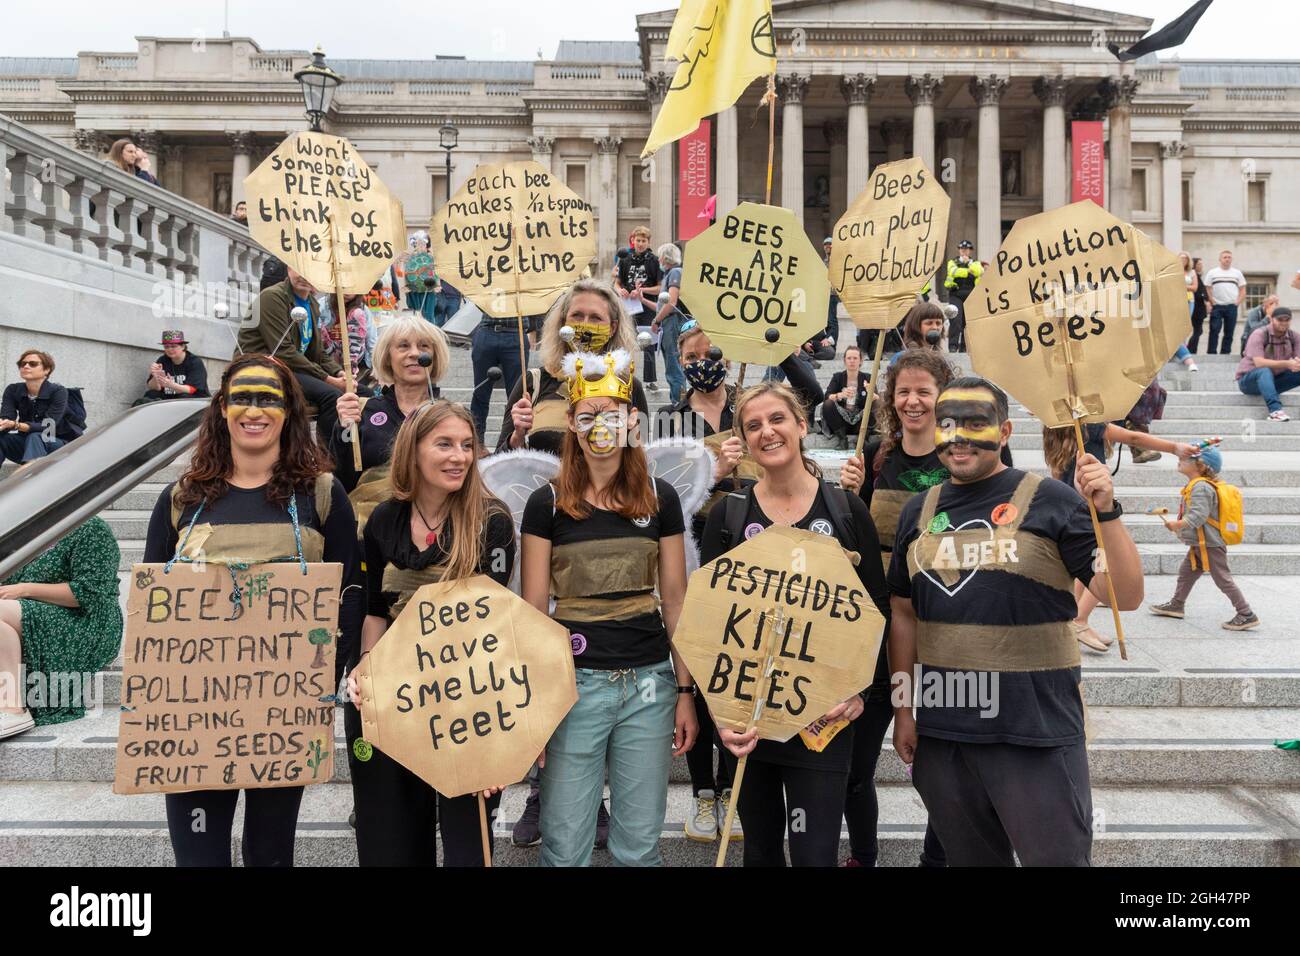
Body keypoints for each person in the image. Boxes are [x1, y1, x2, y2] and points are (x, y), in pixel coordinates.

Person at [889, 376, 1143, 866]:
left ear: (1004, 431)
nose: (958, 435)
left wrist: (1107, 512)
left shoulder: (1053, 500)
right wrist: (904, 709)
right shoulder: (918, 511)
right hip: (946, 735)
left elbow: (1125, 596)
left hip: (1036, 732)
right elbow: (904, 615)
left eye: (974, 423)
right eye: (947, 424)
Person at [142, 355, 363, 867]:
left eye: (269, 399)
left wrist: (319, 683)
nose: (254, 410)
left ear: (289, 412)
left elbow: (350, 594)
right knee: (199, 859)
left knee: (270, 854)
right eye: (242, 397)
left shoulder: (323, 494)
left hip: (284, 712)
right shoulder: (181, 498)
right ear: (222, 408)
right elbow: (152, 603)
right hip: (193, 715)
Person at [701, 382, 890, 867]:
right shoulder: (728, 515)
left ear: (802, 425)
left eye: (777, 419)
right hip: (750, 720)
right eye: (754, 425)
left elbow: (876, 611)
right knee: (761, 853)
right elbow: (708, 623)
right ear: (743, 438)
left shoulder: (847, 511)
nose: (768, 431)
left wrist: (858, 691)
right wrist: (721, 713)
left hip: (820, 722)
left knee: (814, 855)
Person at [521, 347, 697, 866]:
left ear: (632, 422)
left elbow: (676, 599)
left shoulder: (659, 497)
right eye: (588, 415)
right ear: (572, 424)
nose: (601, 425)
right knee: (564, 839)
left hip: (649, 685)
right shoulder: (546, 503)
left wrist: (684, 690)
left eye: (611, 415)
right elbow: (534, 609)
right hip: (574, 686)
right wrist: (536, 705)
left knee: (639, 843)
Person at [345, 401, 516, 865]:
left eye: (466, 445)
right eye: (444, 444)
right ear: (413, 451)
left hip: (465, 703)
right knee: (391, 848)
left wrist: (495, 739)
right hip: (396, 701)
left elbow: (494, 628)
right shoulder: (383, 519)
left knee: (467, 851)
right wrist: (366, 668)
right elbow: (376, 612)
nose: (459, 456)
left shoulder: (491, 521)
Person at [838, 348, 954, 868]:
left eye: (923, 392)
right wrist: (845, 497)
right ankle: (864, 856)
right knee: (854, 769)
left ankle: (937, 858)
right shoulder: (874, 458)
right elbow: (850, 541)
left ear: (941, 398)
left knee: (942, 770)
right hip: (872, 636)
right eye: (903, 391)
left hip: (939, 636)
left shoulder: (963, 457)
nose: (912, 401)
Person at [1040, 422, 1197, 652]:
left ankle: (1072, 618)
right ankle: (1079, 621)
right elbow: (1133, 438)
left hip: (1069, 505)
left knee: (1087, 564)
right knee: (1104, 562)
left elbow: (1055, 472)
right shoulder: (1089, 423)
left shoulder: (1053, 424)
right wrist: (1174, 447)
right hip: (1090, 505)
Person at [0, 516, 122, 739]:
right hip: (28, 611)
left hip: (85, 619)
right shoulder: (23, 530)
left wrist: (24, 589)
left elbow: (89, 593)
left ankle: (12, 708)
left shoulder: (90, 529)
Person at [498, 279, 648, 456]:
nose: (585, 324)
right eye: (577, 315)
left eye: (595, 318)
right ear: (563, 323)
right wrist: (517, 437)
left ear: (612, 328)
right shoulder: (533, 382)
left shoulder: (630, 386)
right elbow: (500, 461)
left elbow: (640, 460)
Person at [237, 267, 346, 451]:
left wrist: (340, 372)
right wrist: (329, 379)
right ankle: (330, 458)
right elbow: (282, 350)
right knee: (332, 396)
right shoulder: (271, 297)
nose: (303, 275)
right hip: (265, 367)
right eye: (298, 268)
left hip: (291, 368)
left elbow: (317, 352)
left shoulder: (312, 304)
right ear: (288, 268)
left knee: (363, 393)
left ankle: (355, 452)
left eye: (309, 270)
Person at [1151, 445, 1258, 631]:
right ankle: (1177, 604)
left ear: (1200, 466)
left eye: (1185, 459)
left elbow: (1198, 516)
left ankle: (1246, 613)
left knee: (1222, 579)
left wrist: (1176, 525)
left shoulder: (1200, 487)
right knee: (1186, 572)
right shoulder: (1198, 485)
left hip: (1209, 543)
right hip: (1201, 542)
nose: (1180, 460)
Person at [0, 350, 76, 465]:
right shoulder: (13, 390)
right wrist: (4, 424)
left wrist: (16, 425)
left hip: (57, 444)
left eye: (33, 364)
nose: (26, 366)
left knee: (36, 437)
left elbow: (48, 427)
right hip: (27, 443)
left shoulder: (58, 391)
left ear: (47, 370)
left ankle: (32, 478)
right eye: (22, 364)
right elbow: (7, 419)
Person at [615, 226, 663, 392]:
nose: (640, 243)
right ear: (633, 241)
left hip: (647, 306)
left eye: (644, 240)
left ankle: (650, 379)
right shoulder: (625, 259)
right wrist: (620, 290)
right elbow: (617, 282)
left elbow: (659, 287)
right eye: (638, 240)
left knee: (647, 342)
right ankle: (623, 375)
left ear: (648, 242)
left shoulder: (654, 260)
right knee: (624, 339)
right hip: (628, 306)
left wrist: (642, 291)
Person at [1236, 305, 1300, 422]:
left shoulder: (1294, 336)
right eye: (1280, 320)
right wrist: (1288, 363)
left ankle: (1271, 395)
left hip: (1274, 381)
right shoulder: (1259, 334)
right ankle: (1275, 411)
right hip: (1249, 382)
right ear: (1271, 319)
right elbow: (1259, 363)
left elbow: (1297, 360)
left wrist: (1297, 363)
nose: (1283, 323)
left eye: (1287, 320)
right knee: (1264, 370)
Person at [650, 243, 688, 404]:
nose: (658, 259)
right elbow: (661, 306)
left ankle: (679, 402)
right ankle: (678, 400)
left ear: (665, 258)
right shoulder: (670, 274)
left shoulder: (675, 272)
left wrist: (656, 320)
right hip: (668, 321)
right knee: (672, 365)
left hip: (672, 322)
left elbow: (671, 302)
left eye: (660, 256)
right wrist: (642, 299)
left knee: (674, 365)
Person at [133, 330, 209, 406]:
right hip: (170, 397)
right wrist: (155, 376)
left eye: (173, 346)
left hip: (194, 399)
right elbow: (154, 387)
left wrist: (172, 385)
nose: (169, 349)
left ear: (183, 346)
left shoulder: (194, 362)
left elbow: (192, 390)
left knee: (184, 397)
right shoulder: (163, 360)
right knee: (150, 394)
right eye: (166, 347)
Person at [821, 344, 871, 449]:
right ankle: (842, 439)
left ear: (861, 361)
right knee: (828, 404)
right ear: (844, 361)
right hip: (841, 423)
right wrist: (840, 395)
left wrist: (871, 393)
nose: (852, 361)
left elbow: (877, 401)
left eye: (855, 358)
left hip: (860, 423)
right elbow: (827, 396)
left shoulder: (867, 377)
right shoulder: (838, 377)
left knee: (876, 403)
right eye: (849, 358)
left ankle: (863, 439)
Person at [1203, 249, 1246, 355]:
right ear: (1220, 259)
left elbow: (1243, 289)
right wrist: (1212, 301)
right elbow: (1207, 288)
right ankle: (1212, 353)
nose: (1227, 259)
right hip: (1217, 306)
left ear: (1231, 259)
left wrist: (1237, 302)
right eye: (1225, 257)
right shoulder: (1212, 272)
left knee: (1229, 332)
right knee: (1214, 330)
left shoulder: (1237, 273)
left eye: (1229, 257)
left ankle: (1225, 353)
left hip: (1231, 306)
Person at [941, 240, 982, 352]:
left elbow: (978, 271)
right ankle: (953, 346)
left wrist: (968, 265)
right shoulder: (952, 262)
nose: (964, 251)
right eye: (962, 249)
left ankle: (965, 347)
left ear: (970, 251)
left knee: (967, 323)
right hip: (956, 294)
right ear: (959, 250)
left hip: (970, 295)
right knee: (955, 320)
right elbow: (953, 271)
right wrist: (968, 271)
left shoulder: (975, 262)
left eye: (966, 249)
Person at [1172, 252, 1198, 371]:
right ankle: (1179, 347)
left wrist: (1181, 285)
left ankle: (1182, 346)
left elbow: (1194, 287)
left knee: (1184, 325)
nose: (1183, 260)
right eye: (1181, 258)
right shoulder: (1172, 271)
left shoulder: (1191, 272)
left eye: (1185, 259)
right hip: (1175, 300)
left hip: (1189, 300)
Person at [1188, 256, 1210, 353]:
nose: (1201, 266)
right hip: (1196, 308)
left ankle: (1193, 350)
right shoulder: (1194, 276)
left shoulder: (1198, 276)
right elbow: (1199, 292)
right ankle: (1191, 350)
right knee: (1198, 330)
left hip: (1199, 308)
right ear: (1194, 265)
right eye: (1199, 264)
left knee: (1198, 331)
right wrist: (1206, 301)